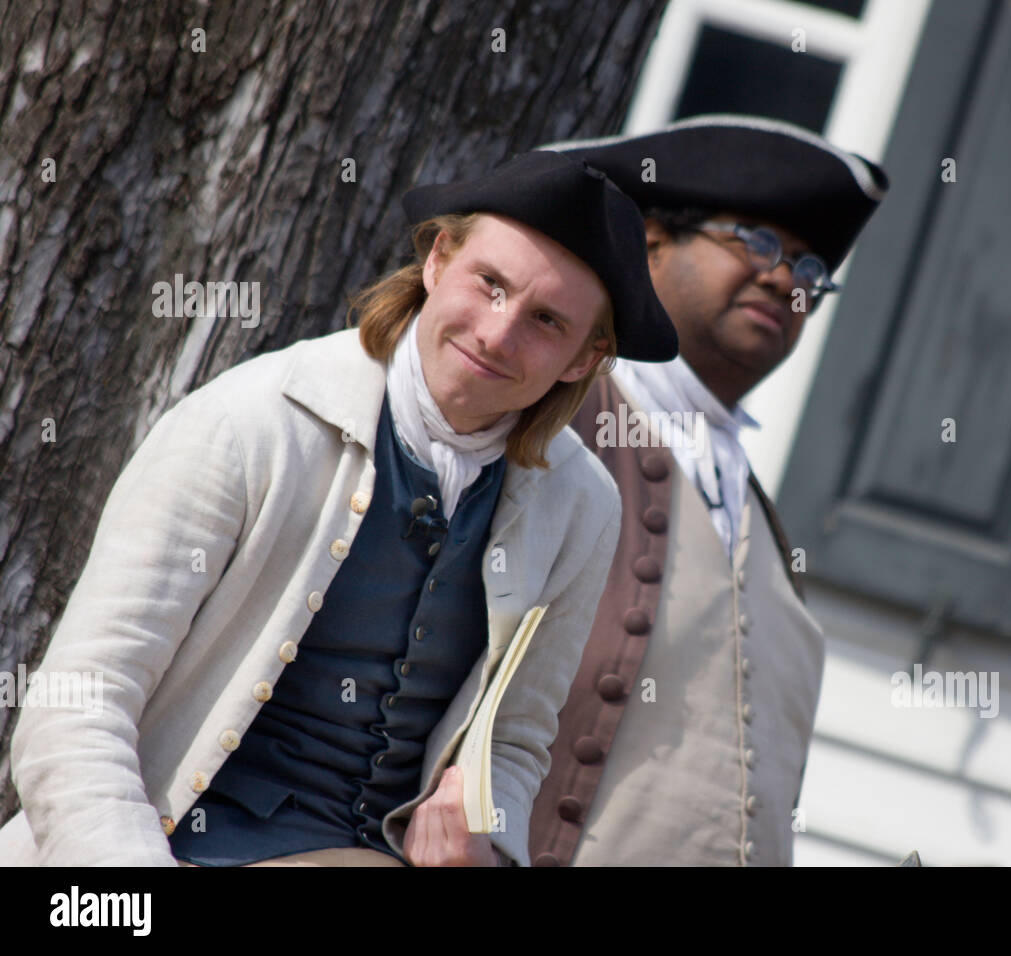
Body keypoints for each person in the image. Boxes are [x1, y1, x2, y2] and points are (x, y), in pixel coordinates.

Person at [0, 150, 677, 867]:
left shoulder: (582, 506)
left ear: (583, 358)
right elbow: (77, 707)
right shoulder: (249, 425)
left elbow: (513, 739)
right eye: (490, 284)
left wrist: (485, 838)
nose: (497, 333)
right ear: (439, 258)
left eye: (546, 320)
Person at [527, 115, 888, 866]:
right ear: (653, 242)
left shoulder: (757, 508)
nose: (786, 280)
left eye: (811, 270)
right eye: (755, 241)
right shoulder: (554, 421)